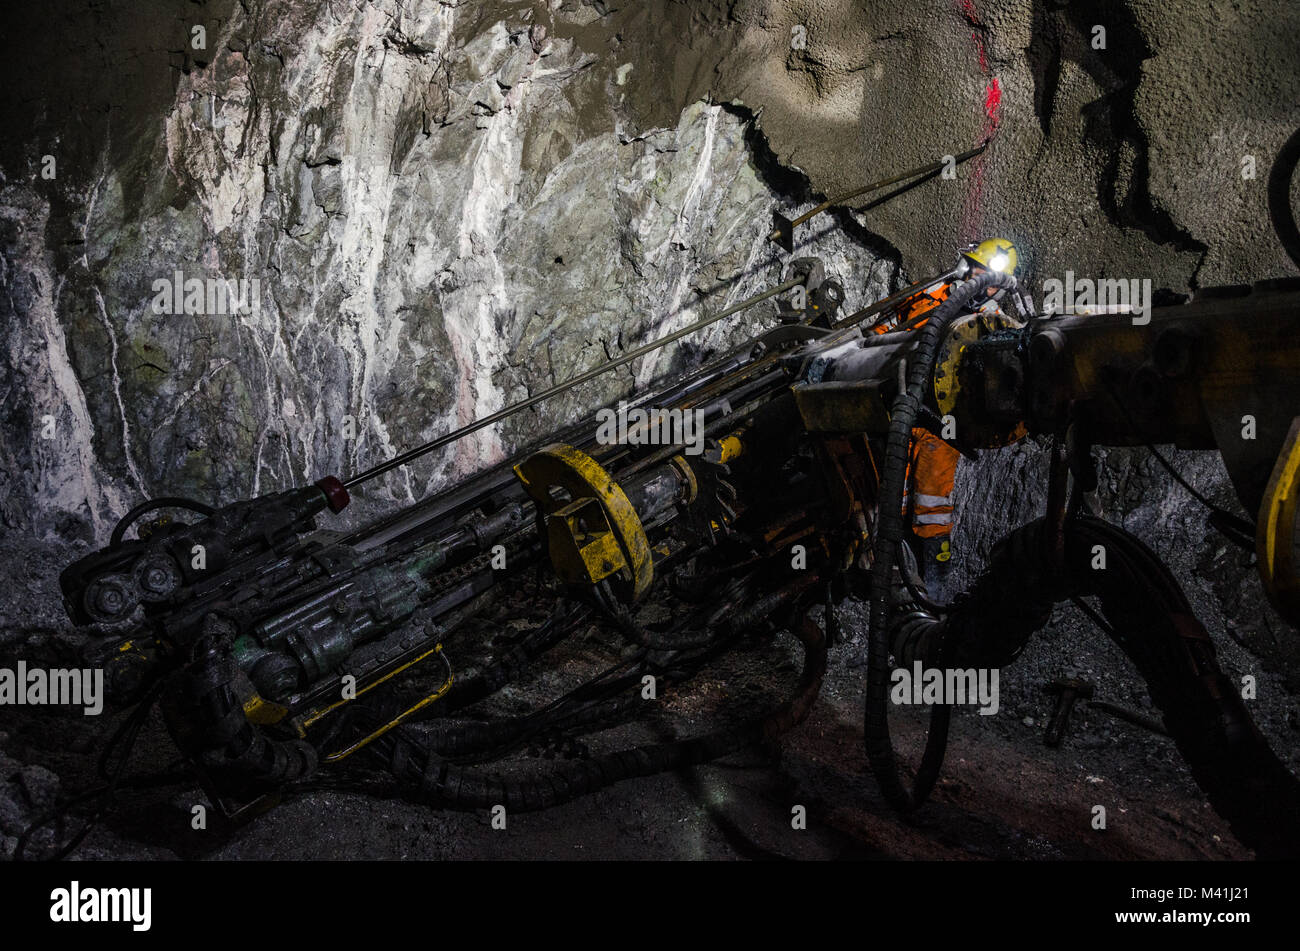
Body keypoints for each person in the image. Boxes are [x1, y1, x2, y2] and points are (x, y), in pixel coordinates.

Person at [875, 238, 1019, 598]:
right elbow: (878, 333)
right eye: (976, 269)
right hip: (898, 411)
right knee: (887, 492)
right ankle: (886, 579)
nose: (978, 280)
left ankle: (935, 592)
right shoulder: (925, 296)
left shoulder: (992, 326)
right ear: (965, 266)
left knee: (932, 509)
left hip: (942, 429)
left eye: (987, 277)